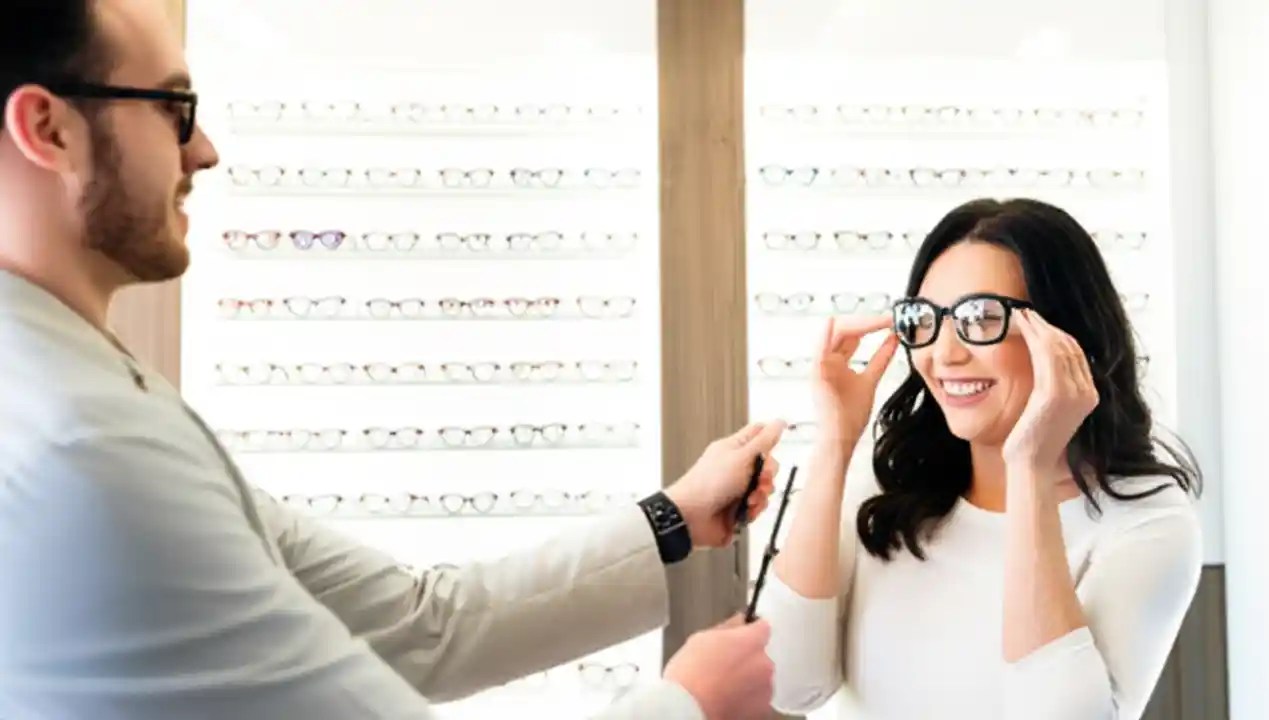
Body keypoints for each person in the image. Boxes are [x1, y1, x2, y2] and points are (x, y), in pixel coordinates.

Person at [0, 1, 782, 718]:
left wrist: (669, 519)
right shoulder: (89, 448)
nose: (203, 151)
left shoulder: (78, 390)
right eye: (175, 109)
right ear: (50, 129)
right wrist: (687, 705)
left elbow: (419, 624)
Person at [756, 197, 1204, 719]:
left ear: (1067, 335)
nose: (945, 353)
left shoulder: (1147, 523)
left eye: (982, 317)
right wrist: (835, 443)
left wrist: (1031, 470)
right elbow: (786, 684)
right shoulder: (886, 480)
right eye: (926, 319)